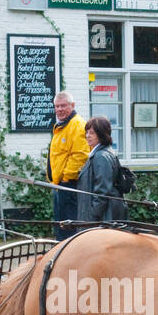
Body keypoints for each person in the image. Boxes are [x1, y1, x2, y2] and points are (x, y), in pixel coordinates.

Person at [48, 90, 88, 239]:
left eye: (63, 106)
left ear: (72, 105)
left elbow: (80, 155)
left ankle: (68, 254)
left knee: (68, 225)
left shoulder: (76, 125)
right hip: (59, 185)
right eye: (57, 106)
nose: (59, 109)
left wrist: (66, 178)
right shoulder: (62, 125)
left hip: (69, 185)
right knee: (61, 223)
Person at [75, 116, 126, 224]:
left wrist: (92, 217)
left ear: (102, 134)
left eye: (92, 133)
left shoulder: (101, 156)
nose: (88, 136)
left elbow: (102, 192)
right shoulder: (101, 153)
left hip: (103, 217)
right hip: (102, 215)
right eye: (87, 132)